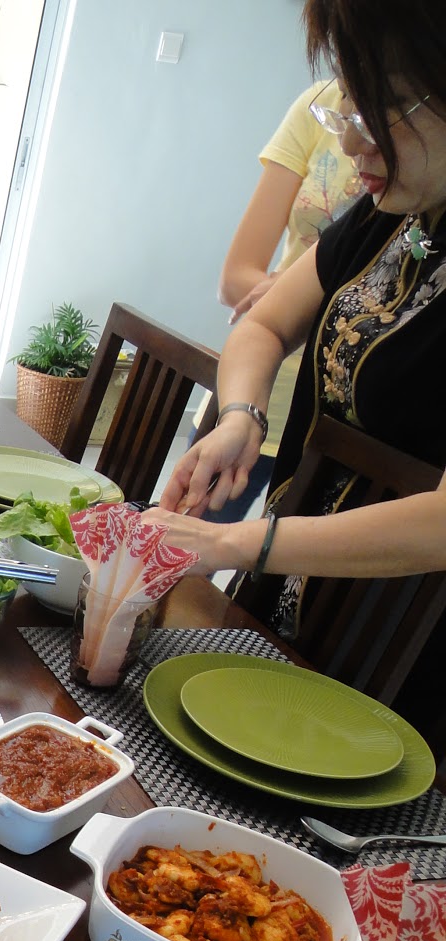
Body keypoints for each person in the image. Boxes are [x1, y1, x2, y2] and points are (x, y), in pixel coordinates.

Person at [155, 0, 446, 634]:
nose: (348, 140)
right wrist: (241, 416)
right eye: (347, 107)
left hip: (395, 646)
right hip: (290, 594)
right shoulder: (390, 216)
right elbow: (264, 323)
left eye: (378, 112)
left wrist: (239, 543)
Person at [194, 78, 361, 523]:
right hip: (264, 387)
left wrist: (295, 293)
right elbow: (236, 281)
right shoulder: (318, 103)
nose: (353, 141)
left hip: (352, 427)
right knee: (175, 550)